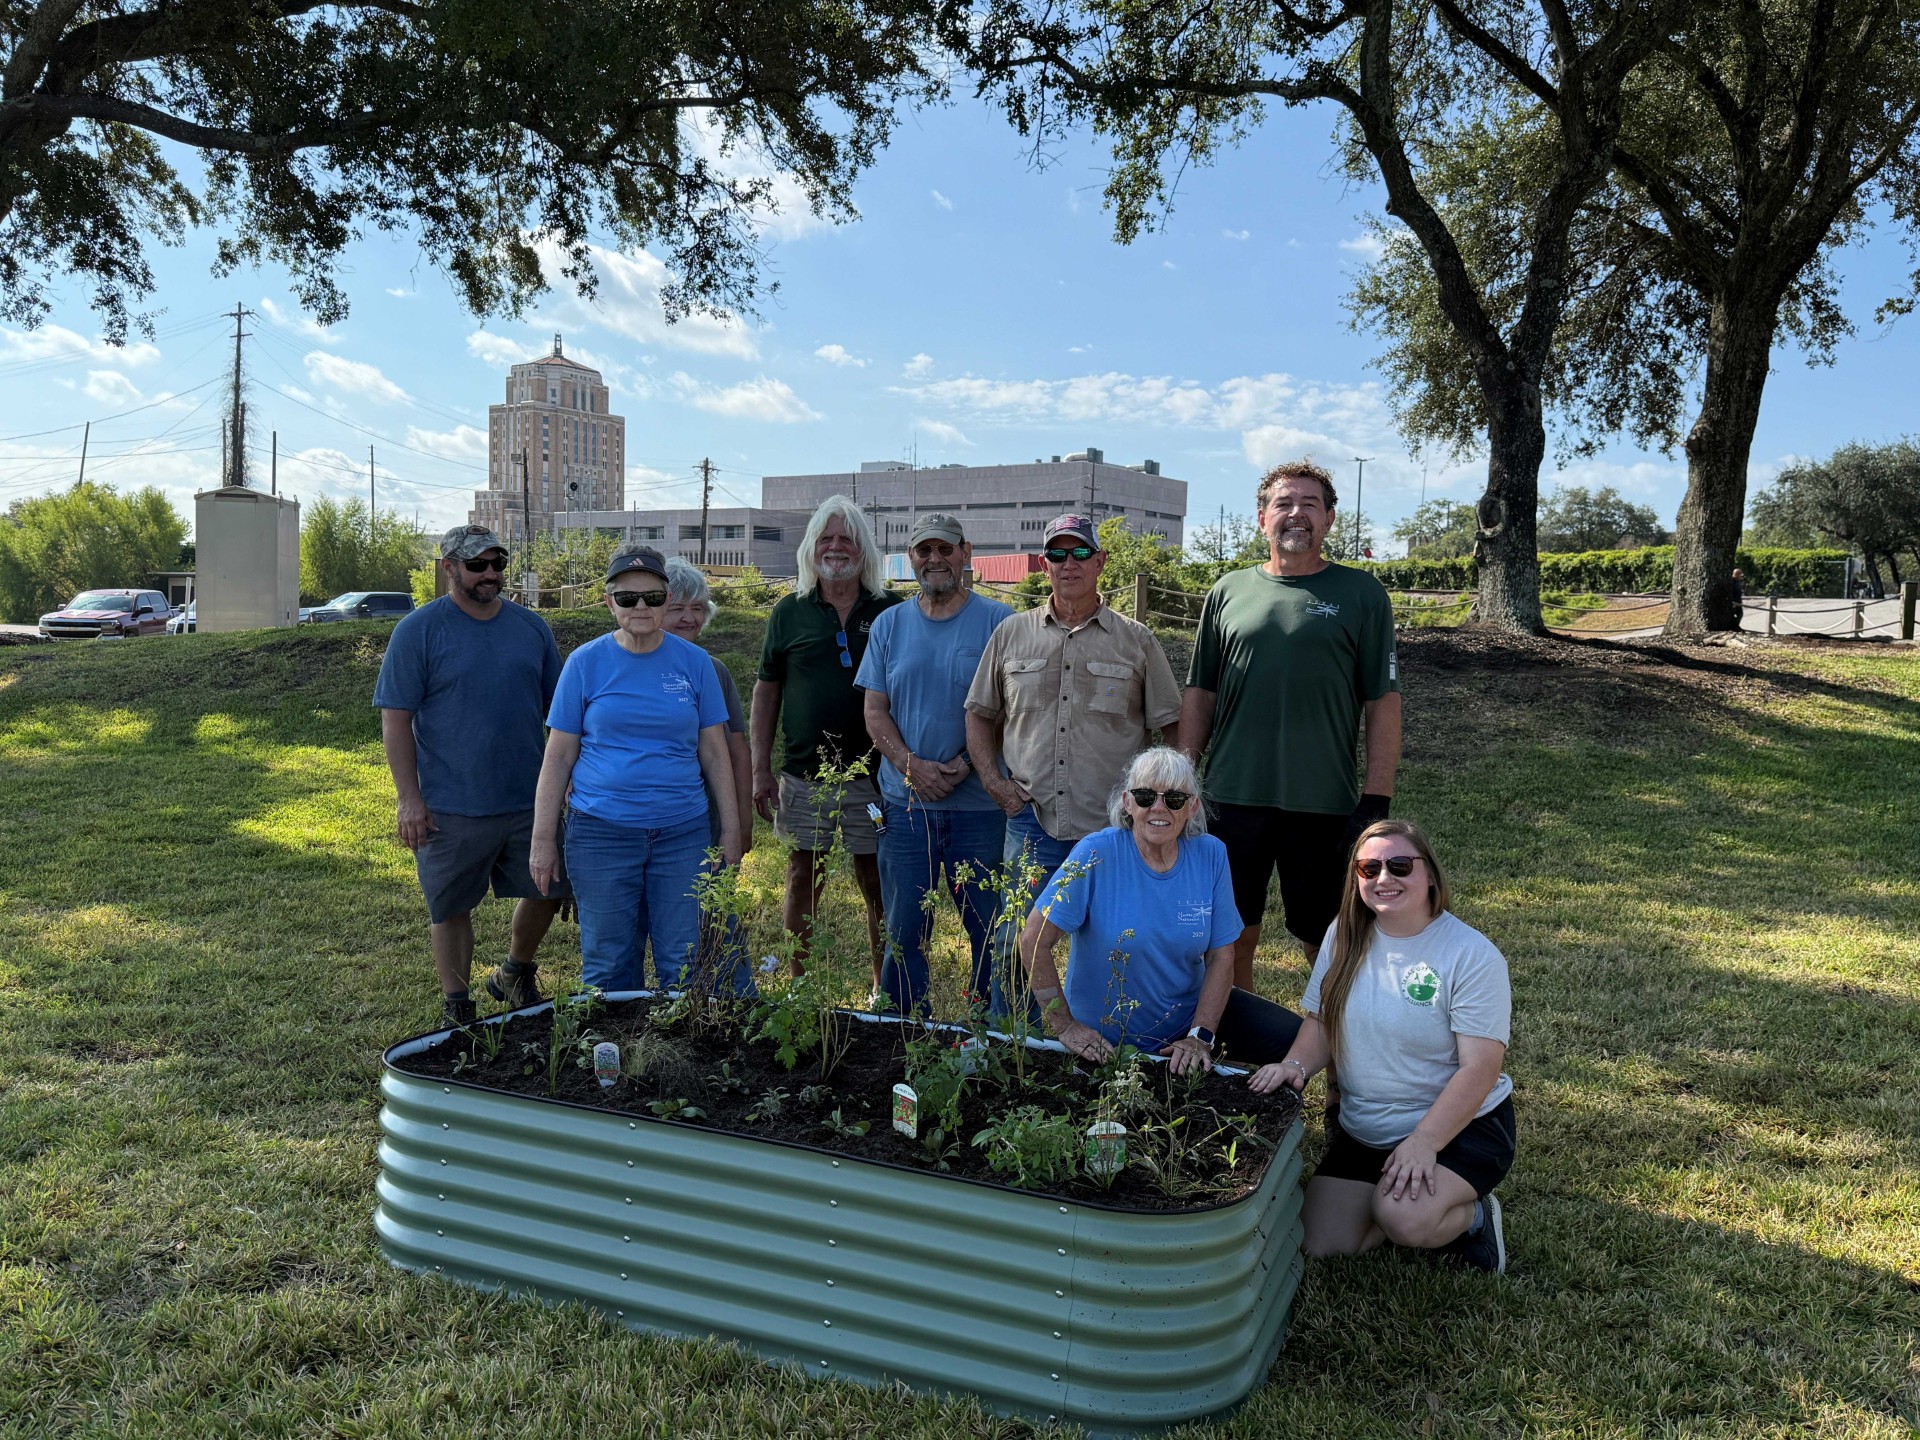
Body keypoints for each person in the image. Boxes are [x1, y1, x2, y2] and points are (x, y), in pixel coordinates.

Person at [1250, 820, 1514, 1273]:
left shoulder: (1470, 954)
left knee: (1405, 1220)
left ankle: (1473, 1218)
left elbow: (1480, 1070)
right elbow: (1321, 1021)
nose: (1383, 879)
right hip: (1367, 1129)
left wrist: (1424, 1143)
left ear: (1429, 874)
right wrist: (1294, 1064)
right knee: (1320, 1241)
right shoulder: (1345, 934)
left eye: (1399, 866)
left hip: (1456, 1128)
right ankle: (1397, 1198)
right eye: (1369, 869)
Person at [1180, 459, 1401, 991]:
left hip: (1324, 802)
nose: (1296, 513)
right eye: (1283, 503)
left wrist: (1375, 799)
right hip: (1231, 797)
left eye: (1309, 504)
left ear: (1329, 519)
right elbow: (1200, 692)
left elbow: (1383, 701)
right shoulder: (1227, 592)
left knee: (1327, 941)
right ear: (1262, 519)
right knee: (1232, 939)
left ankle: (1346, 1064)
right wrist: (1183, 778)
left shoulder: (1362, 595)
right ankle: (1233, 1057)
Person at [966, 514, 1182, 1008]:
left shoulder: (1136, 640)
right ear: (1043, 565)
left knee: (1115, 944)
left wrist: (1159, 802)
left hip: (1112, 828)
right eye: (1058, 554)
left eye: (1081, 553)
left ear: (1101, 562)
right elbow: (978, 715)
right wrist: (994, 783)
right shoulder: (1010, 635)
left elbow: (1171, 724)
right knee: (1016, 943)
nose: (1069, 564)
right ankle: (1014, 1044)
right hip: (1032, 821)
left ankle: (1107, 1046)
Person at [374, 524, 565, 1026]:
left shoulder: (532, 629)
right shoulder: (418, 630)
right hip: (450, 803)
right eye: (477, 564)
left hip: (529, 797)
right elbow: (395, 720)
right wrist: (408, 799)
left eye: (498, 564)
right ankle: (458, 1006)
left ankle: (515, 972)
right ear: (449, 567)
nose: (490, 574)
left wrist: (567, 785)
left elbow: (563, 716)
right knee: (450, 904)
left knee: (550, 889)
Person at [530, 546, 742, 992]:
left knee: (685, 961)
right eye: (627, 598)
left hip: (682, 832)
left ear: (667, 600)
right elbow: (559, 756)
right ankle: (613, 1058)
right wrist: (543, 840)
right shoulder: (585, 663)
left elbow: (715, 752)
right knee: (608, 963)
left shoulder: (696, 664)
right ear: (609, 603)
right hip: (601, 831)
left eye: (652, 597)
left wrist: (731, 829)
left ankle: (677, 1058)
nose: (640, 607)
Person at [1018, 747, 1303, 1072]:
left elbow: (1222, 955)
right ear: (1127, 802)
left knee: (1297, 1043)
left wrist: (1200, 1035)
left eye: (1174, 799)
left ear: (1192, 807)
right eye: (1145, 796)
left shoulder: (1210, 855)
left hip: (1186, 1023)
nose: (1158, 807)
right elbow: (1033, 939)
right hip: (1105, 1043)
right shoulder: (1095, 853)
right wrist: (1064, 1026)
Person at [856, 513, 1014, 1014]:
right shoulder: (889, 624)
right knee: (903, 924)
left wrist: (970, 761)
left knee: (988, 924)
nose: (934, 559)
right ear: (912, 557)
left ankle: (990, 1026)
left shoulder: (999, 622)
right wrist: (911, 767)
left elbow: (1015, 709)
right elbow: (874, 710)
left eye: (945, 549)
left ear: (965, 553)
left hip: (979, 808)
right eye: (924, 550)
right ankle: (903, 1024)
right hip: (906, 806)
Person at [751, 496, 901, 986]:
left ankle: (886, 991)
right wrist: (760, 769)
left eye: (847, 537)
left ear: (865, 549)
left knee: (877, 879)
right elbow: (766, 692)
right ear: (811, 547)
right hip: (803, 776)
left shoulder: (892, 612)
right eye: (826, 537)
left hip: (875, 780)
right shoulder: (788, 612)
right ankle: (800, 985)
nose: (836, 547)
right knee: (802, 877)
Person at [661, 556, 756, 993]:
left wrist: (741, 822)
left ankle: (733, 1005)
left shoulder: (713, 670)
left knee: (717, 918)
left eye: (697, 608)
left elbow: (738, 751)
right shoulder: (612, 662)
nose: (688, 617)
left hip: (707, 823)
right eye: (678, 606)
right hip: (639, 825)